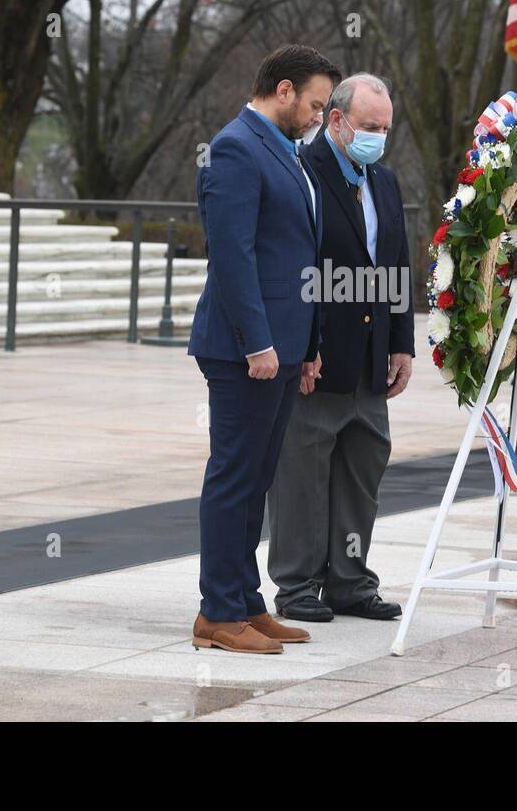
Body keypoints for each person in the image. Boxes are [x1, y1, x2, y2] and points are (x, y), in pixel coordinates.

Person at [187, 44, 340, 654]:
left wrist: (307, 346)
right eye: (314, 104)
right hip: (241, 349)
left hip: (282, 347)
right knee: (233, 477)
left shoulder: (287, 153)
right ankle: (217, 613)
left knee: (256, 479)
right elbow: (232, 255)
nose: (318, 116)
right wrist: (259, 343)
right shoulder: (234, 148)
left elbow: (296, 256)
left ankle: (247, 603)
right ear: (282, 90)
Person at [267, 74, 413, 624]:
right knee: (302, 473)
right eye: (370, 127)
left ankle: (350, 581)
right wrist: (305, 345)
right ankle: (298, 584)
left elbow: (395, 265)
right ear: (335, 120)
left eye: (385, 128)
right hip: (318, 356)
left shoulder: (385, 180)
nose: (379, 137)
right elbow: (296, 267)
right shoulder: (301, 172)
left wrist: (401, 344)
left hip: (371, 358)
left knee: (362, 468)